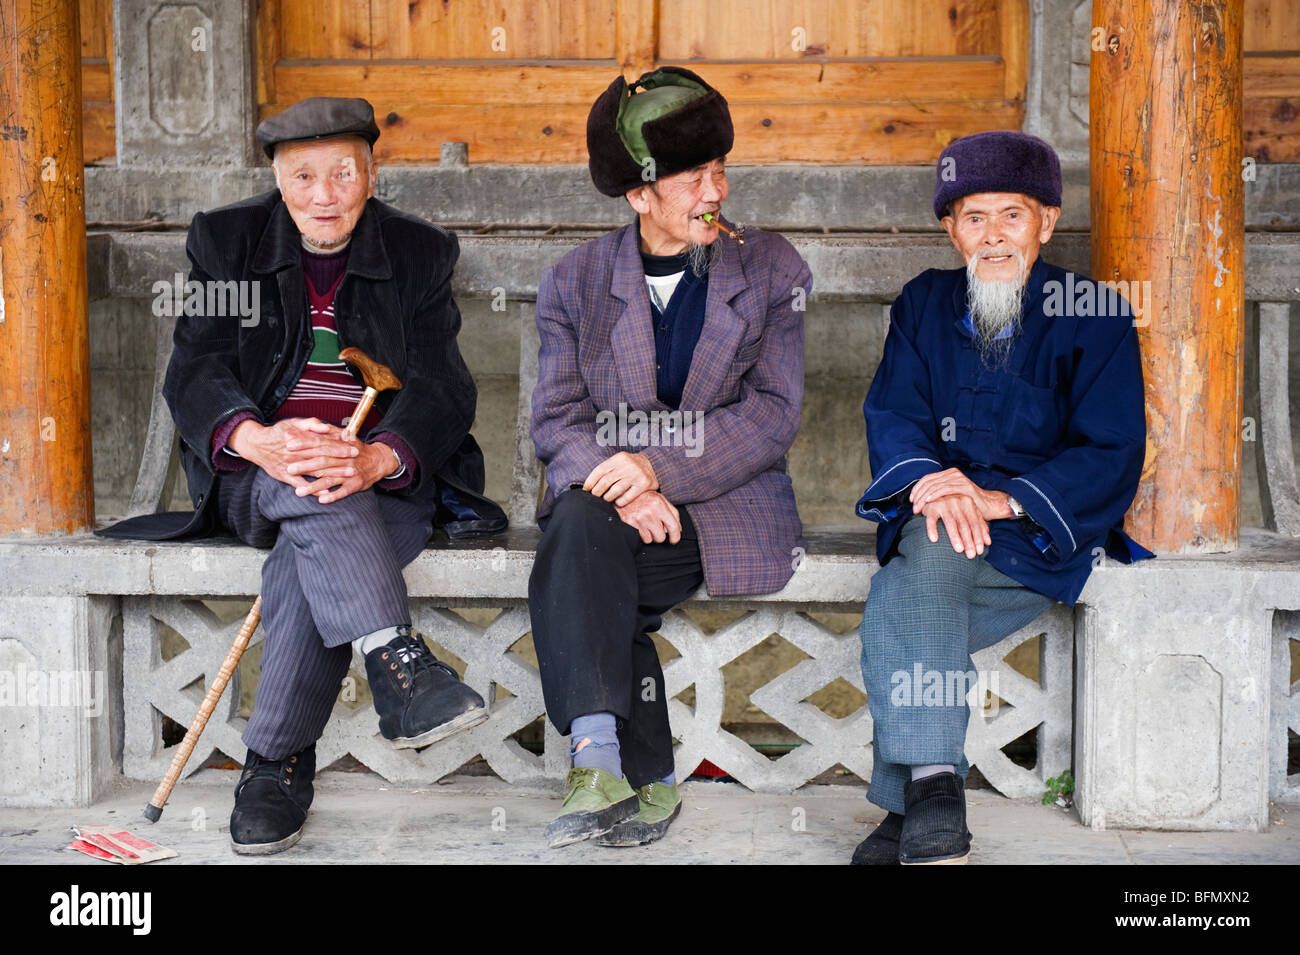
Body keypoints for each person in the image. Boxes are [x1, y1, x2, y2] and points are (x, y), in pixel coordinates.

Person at [103, 97, 506, 854]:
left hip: (383, 478)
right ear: (278, 180)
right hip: (255, 471)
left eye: (342, 174)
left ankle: (274, 761)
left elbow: (444, 387)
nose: (324, 195)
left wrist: (380, 455)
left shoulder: (417, 252)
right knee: (302, 474)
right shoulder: (228, 241)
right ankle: (397, 660)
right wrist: (257, 437)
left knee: (306, 547)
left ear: (371, 174)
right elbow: (196, 366)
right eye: (303, 177)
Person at [529, 67, 812, 848]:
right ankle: (616, 768)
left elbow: (770, 415)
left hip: (727, 506)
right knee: (585, 532)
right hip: (609, 509)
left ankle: (606, 765)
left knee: (577, 561)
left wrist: (656, 471)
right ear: (638, 194)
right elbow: (556, 418)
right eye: (691, 178)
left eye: (719, 169)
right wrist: (624, 489)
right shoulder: (575, 282)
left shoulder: (772, 271)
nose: (713, 191)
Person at [852, 130, 1150, 865]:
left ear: (1046, 222)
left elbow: (1111, 449)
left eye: (1011, 215)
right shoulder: (924, 303)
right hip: (938, 521)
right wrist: (931, 479)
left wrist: (1005, 499)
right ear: (951, 229)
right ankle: (933, 793)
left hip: (1039, 533)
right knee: (927, 553)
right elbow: (895, 412)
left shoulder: (1095, 314)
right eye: (973, 217)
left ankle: (913, 795)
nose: (992, 236)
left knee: (902, 594)